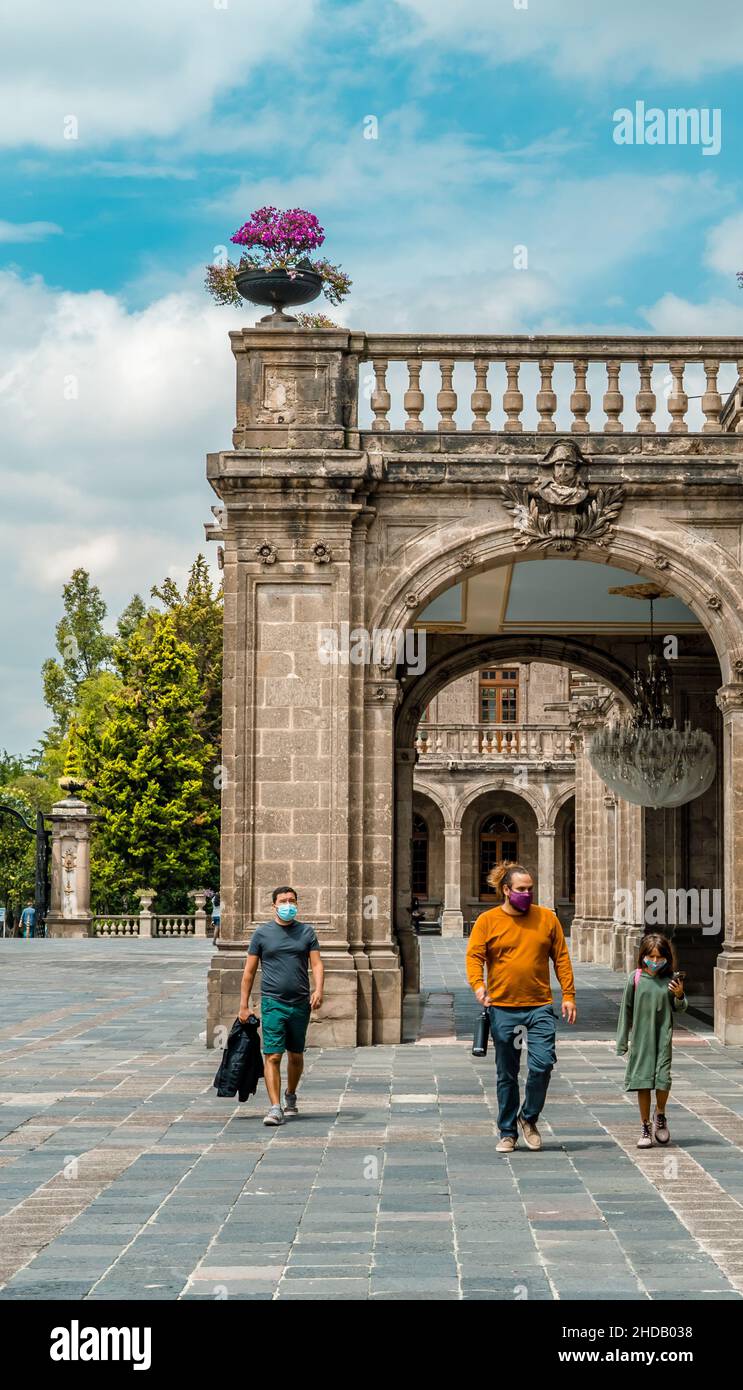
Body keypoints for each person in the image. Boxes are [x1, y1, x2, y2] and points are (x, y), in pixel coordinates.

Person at [466, 861, 577, 1153]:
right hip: (503, 1007)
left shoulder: (546, 919)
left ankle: (528, 1117)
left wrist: (568, 994)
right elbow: (474, 956)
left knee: (542, 1064)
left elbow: (561, 957)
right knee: (507, 1072)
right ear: (506, 890)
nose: (527, 894)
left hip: (539, 1006)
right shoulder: (487, 921)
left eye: (530, 889)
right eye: (521, 889)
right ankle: (507, 1132)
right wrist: (479, 985)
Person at [238, 886, 324, 1127]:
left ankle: (291, 1094)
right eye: (284, 901)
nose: (288, 905)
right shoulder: (262, 934)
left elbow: (316, 964)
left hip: (300, 1003)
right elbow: (249, 971)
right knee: (273, 1054)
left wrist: (318, 989)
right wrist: (243, 1005)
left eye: (292, 901)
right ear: (274, 905)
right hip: (273, 1002)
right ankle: (275, 1107)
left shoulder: (306, 932)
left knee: (295, 1054)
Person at [616, 932, 687, 1148]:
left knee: (663, 1079)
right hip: (641, 1041)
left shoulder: (670, 980)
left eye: (659, 957)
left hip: (662, 1039)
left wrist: (680, 995)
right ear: (643, 956)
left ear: (666, 957)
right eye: (651, 956)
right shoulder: (635, 979)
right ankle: (645, 1126)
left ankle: (661, 1114)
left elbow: (680, 1009)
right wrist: (622, 1041)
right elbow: (625, 1011)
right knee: (643, 1082)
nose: (655, 961)